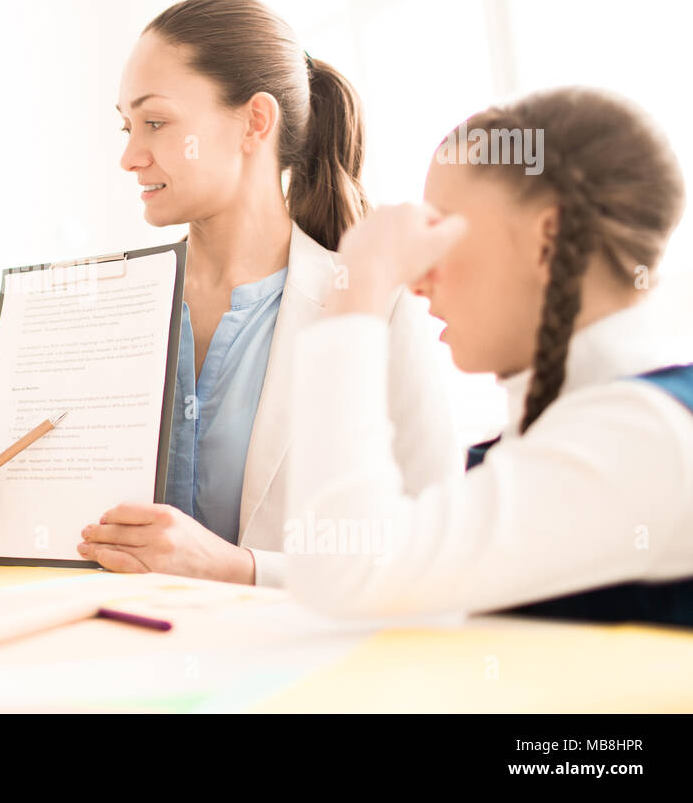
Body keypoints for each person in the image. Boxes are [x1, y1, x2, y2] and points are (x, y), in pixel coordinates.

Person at [0, 0, 459, 584]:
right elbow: (38, 529)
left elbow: (436, 554)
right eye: (127, 125)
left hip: (295, 665)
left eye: (156, 122)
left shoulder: (377, 307)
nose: (128, 155)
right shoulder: (97, 306)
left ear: (254, 122)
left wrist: (239, 568)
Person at [286, 86, 693, 624]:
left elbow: (347, 568)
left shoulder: (646, 436)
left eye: (442, 227)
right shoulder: (577, 425)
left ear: (547, 238)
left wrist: (360, 282)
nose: (419, 275)